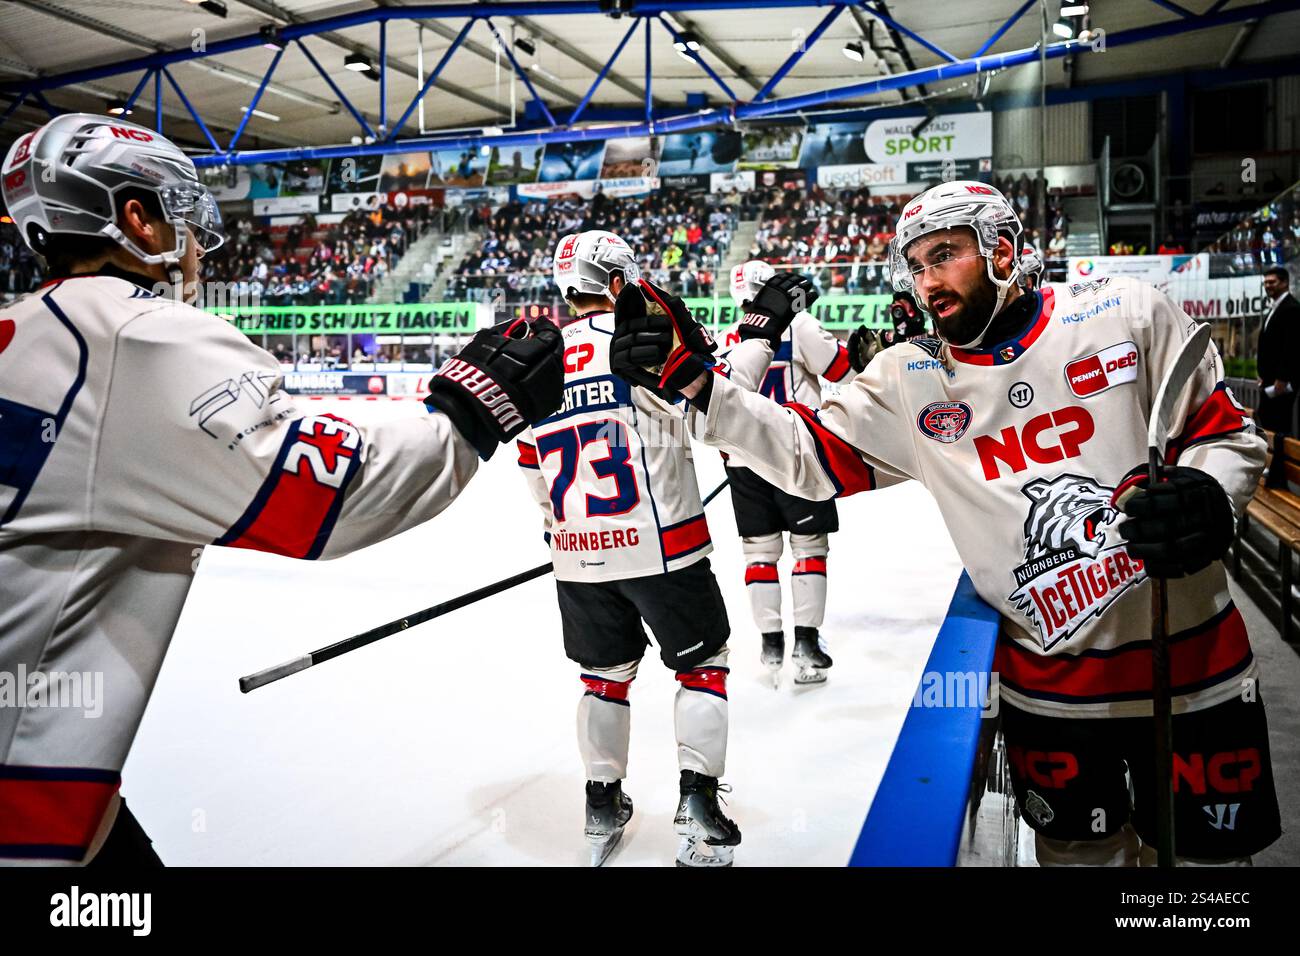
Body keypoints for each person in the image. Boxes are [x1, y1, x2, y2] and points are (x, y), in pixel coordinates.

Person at [610, 179, 1281, 866]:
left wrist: (1209, 492)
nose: (928, 281)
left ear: (1004, 251)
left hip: (1197, 670)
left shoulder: (1125, 314)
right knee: (1079, 861)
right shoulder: (910, 378)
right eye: (918, 265)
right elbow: (806, 454)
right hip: (1052, 694)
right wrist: (701, 386)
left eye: (946, 254)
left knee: (1210, 877)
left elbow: (1223, 432)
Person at [0, 114, 564, 866]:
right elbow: (322, 495)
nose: (197, 243)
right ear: (135, 218)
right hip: (25, 791)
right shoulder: (137, 338)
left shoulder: (24, 329)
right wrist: (474, 406)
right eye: (180, 215)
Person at [514, 230, 740, 867]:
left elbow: (533, 468)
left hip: (578, 554)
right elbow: (722, 409)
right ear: (621, 281)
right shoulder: (645, 341)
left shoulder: (542, 363)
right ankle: (698, 809)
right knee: (702, 666)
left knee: (603, 678)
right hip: (663, 545)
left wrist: (564, 531)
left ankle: (600, 805)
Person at [714, 261, 852, 683]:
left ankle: (770, 642)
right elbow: (842, 371)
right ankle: (807, 644)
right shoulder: (801, 324)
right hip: (796, 452)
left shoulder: (727, 338)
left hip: (744, 461)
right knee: (809, 548)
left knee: (759, 555)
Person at [1256, 266, 1300, 488]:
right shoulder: (1275, 308)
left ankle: (1279, 474)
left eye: (1272, 282)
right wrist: (1265, 376)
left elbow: (1290, 348)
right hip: (1270, 382)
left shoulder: (1291, 308)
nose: (1267, 286)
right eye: (1265, 283)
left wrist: (1281, 379)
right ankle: (1274, 468)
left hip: (1281, 385)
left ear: (1284, 282)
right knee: (1268, 421)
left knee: (1279, 425)